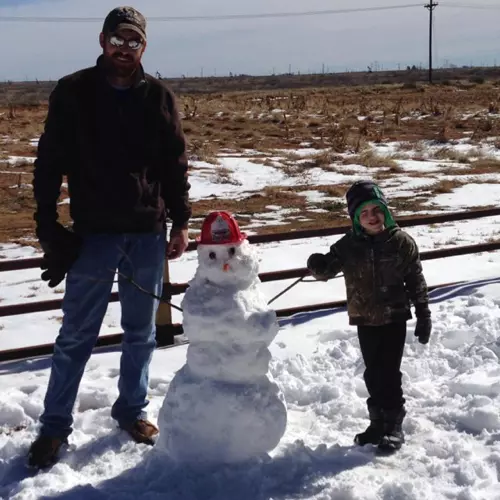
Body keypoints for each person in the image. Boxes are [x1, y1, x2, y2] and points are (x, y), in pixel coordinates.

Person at [28, 6, 191, 469]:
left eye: (133, 41)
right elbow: (49, 162)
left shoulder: (158, 97)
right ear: (102, 41)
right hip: (94, 235)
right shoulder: (74, 92)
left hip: (145, 233)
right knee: (76, 334)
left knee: (140, 334)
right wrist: (47, 223)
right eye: (117, 40)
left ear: (144, 46)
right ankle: (55, 426)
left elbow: (174, 165)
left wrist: (180, 222)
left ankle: (131, 411)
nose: (124, 49)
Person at [306, 180, 432, 452]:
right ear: (355, 218)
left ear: (385, 210)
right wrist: (317, 265)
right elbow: (327, 270)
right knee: (373, 374)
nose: (372, 217)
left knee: (388, 373)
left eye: (376, 210)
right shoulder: (348, 245)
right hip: (364, 318)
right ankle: (377, 424)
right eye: (364, 213)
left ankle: (393, 425)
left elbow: (416, 279)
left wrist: (424, 315)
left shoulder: (400, 243)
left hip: (394, 317)